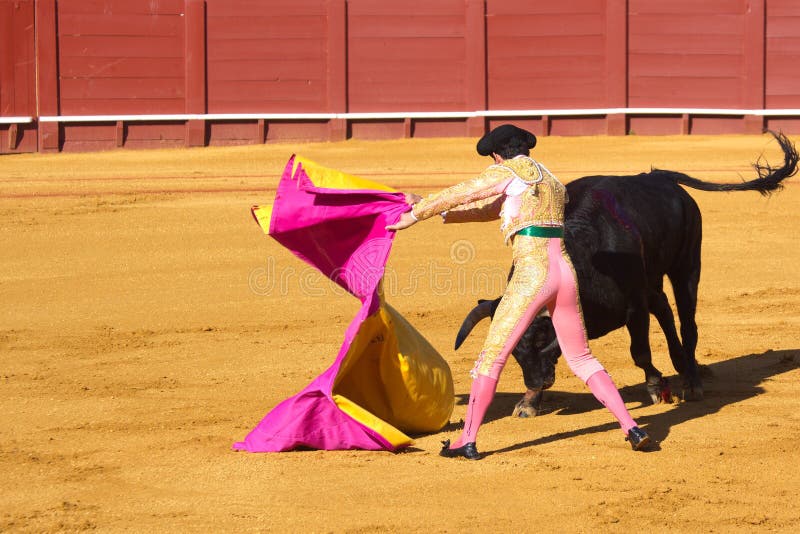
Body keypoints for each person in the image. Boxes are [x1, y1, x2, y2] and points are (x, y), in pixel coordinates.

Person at [386, 124, 651, 460]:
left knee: (491, 357)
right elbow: (489, 209)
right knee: (582, 358)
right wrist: (437, 211)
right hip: (565, 272)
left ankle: (466, 439)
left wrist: (417, 214)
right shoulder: (550, 179)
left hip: (532, 272)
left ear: (498, 155)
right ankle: (631, 426)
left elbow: (466, 191)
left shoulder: (507, 171)